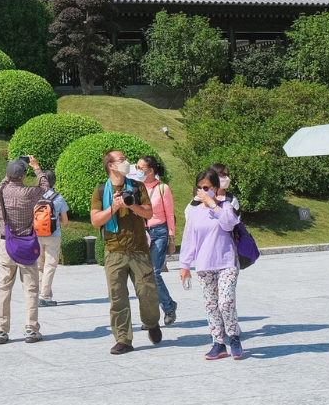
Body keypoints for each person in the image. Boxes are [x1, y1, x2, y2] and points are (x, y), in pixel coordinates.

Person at [91, 150, 163, 354]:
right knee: (118, 297)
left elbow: (149, 213)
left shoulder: (137, 187)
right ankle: (123, 338)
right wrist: (113, 207)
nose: (127, 162)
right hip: (114, 251)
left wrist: (132, 206)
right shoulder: (101, 190)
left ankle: (151, 322)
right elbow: (96, 220)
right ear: (111, 165)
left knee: (147, 292)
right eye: (122, 160)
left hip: (139, 249)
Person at [179, 167, 244, 360]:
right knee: (211, 304)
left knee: (225, 302)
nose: (202, 191)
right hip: (204, 265)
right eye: (199, 187)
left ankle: (233, 337)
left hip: (226, 262)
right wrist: (184, 265)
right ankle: (218, 343)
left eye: (206, 187)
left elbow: (229, 223)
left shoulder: (226, 206)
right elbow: (189, 238)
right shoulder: (195, 211)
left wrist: (213, 204)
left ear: (215, 188)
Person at [0, 157, 47, 345]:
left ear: (8, 175)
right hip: (25, 243)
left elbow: (5, 180)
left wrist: (13, 170)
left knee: (3, 287)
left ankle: (1, 330)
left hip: (5, 243)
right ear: (24, 176)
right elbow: (46, 188)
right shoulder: (29, 193)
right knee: (31, 288)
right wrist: (37, 168)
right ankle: (31, 329)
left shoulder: (0, 190)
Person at [137, 156, 178, 326]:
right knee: (143, 276)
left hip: (159, 232)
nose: (138, 171)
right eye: (137, 167)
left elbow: (169, 214)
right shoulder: (136, 187)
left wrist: (171, 238)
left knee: (154, 273)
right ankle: (151, 317)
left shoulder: (163, 188)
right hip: (141, 232)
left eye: (141, 168)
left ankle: (168, 307)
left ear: (151, 170)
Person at [36, 169, 69, 305]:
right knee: (50, 265)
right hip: (53, 235)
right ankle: (45, 296)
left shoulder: (35, 196)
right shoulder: (58, 198)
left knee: (39, 265)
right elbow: (65, 221)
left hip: (37, 234)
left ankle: (39, 293)